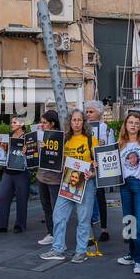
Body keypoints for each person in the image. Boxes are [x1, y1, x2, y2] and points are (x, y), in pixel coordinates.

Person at [40, 108, 99, 263]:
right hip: (67, 182)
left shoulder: (91, 140)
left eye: (80, 120)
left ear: (84, 122)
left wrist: (92, 173)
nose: (77, 123)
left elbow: (97, 165)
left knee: (83, 219)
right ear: (69, 122)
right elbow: (55, 160)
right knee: (58, 215)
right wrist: (44, 148)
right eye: (74, 120)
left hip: (86, 182)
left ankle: (81, 251)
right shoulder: (64, 139)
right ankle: (58, 248)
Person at [114, 111, 140, 275]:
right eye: (130, 122)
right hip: (124, 185)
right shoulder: (119, 143)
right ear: (125, 124)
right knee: (129, 221)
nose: (133, 125)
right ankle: (131, 253)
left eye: (137, 123)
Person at [0, 117, 34, 234]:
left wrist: (28, 151)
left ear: (22, 124)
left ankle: (20, 225)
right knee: (3, 197)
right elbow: (3, 153)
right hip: (8, 171)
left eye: (14, 122)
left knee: (22, 198)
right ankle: (1, 225)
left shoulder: (27, 138)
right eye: (11, 122)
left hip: (22, 172)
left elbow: (33, 155)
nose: (11, 124)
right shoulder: (8, 137)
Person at [85, 100, 116, 243]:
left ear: (99, 113)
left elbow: (111, 150)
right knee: (87, 200)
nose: (88, 114)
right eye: (87, 112)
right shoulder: (84, 129)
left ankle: (104, 229)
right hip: (86, 166)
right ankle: (88, 229)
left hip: (101, 168)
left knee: (100, 198)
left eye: (91, 112)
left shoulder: (107, 129)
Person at [34, 110, 62, 246]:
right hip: (42, 176)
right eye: (41, 122)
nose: (42, 125)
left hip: (55, 179)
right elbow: (36, 157)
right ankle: (51, 233)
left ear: (52, 123)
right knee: (46, 207)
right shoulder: (41, 135)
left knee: (55, 207)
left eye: (45, 123)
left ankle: (57, 235)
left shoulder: (60, 137)